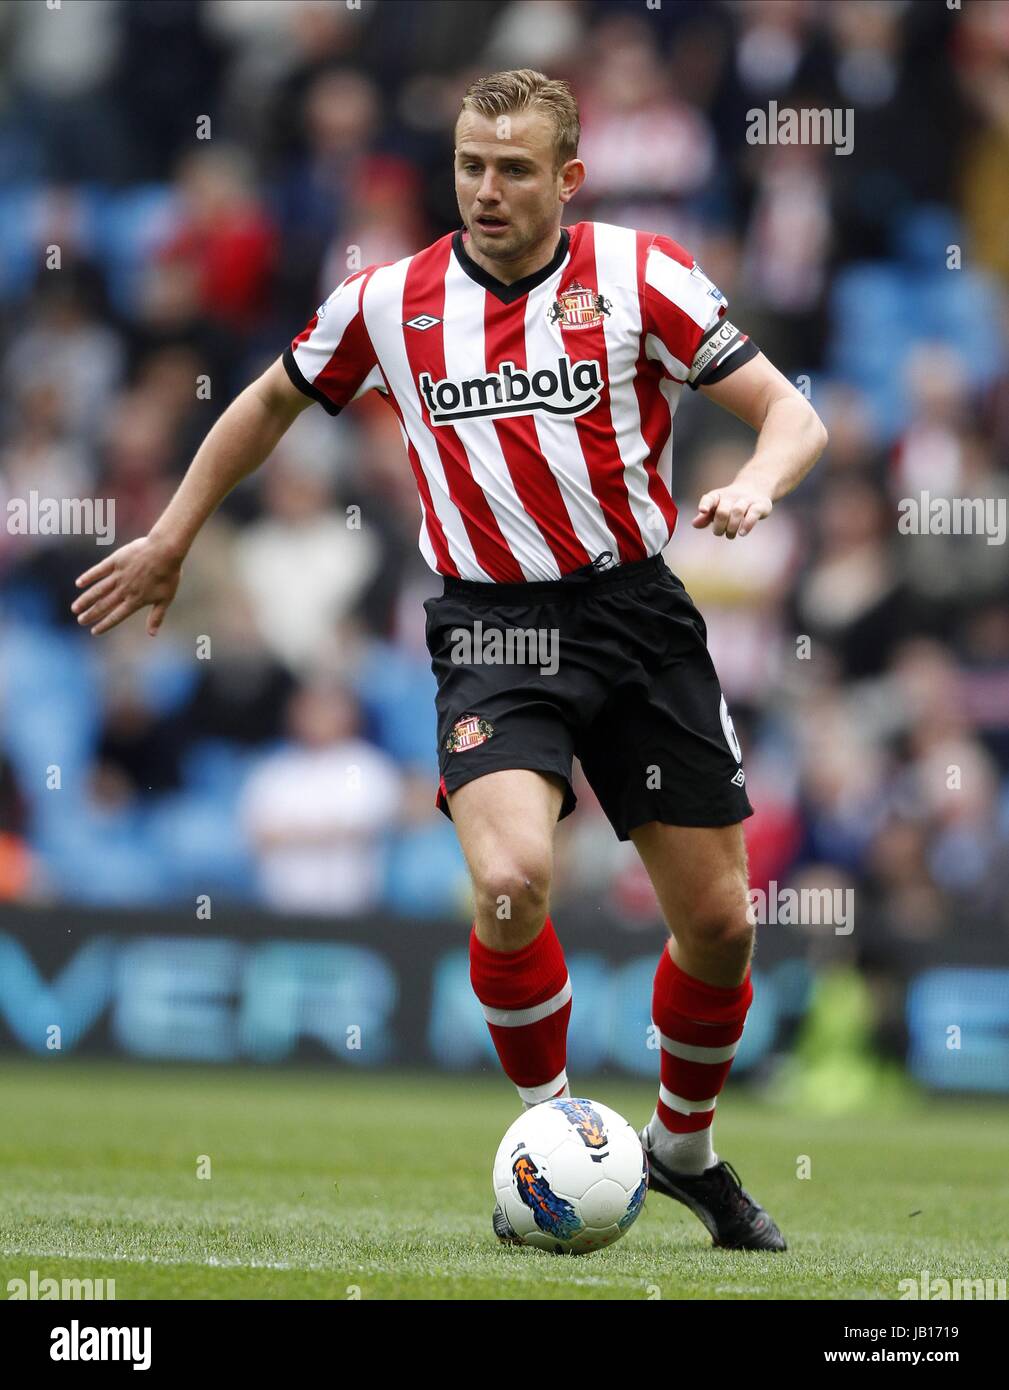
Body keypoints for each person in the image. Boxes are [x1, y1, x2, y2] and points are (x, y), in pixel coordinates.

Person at [72, 69, 827, 1252]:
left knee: (722, 923)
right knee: (513, 880)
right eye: (471, 164)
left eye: (513, 168)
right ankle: (550, 1136)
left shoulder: (639, 276)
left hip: (637, 616)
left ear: (566, 179)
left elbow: (796, 415)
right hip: (491, 629)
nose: (485, 188)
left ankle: (683, 1151)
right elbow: (267, 403)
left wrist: (752, 483)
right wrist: (172, 536)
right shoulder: (388, 300)